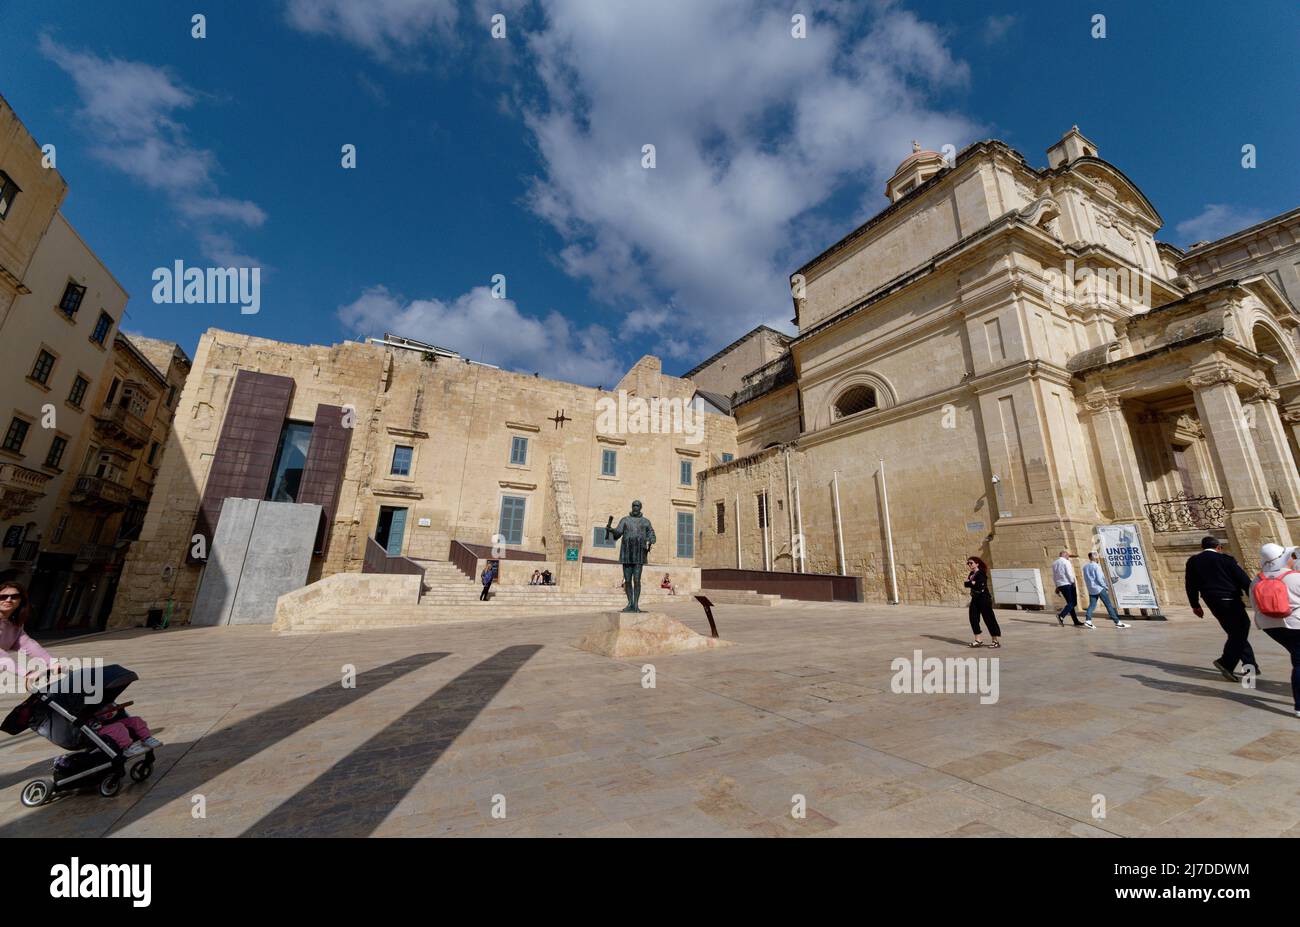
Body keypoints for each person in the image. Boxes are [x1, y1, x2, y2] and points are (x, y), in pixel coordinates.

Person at [1186, 534, 1257, 681]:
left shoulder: (1193, 561)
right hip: (1230, 600)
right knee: (1241, 629)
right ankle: (1226, 662)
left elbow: (1190, 585)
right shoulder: (1226, 559)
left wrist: (1195, 604)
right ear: (1218, 547)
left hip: (1212, 602)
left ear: (1202, 547)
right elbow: (1243, 580)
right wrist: (1256, 599)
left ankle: (1251, 666)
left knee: (1235, 632)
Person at [1250, 543, 1300, 718]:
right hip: (1295, 624)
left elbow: (1254, 605)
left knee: (1297, 654)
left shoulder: (1258, 580)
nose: (1293, 559)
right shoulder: (1295, 577)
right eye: (1292, 556)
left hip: (1269, 626)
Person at [0, 582, 55, 687]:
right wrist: (26, 673)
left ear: (21, 601)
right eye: (3, 597)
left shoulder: (14, 625)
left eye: (14, 596)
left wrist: (52, 662)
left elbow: (26, 644)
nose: (8, 600)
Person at [87, 700, 162, 757]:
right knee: (118, 727)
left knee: (135, 720)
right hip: (97, 729)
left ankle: (146, 738)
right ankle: (127, 747)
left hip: (112, 720)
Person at [1082, 551, 1130, 629]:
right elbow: (1099, 579)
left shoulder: (1085, 567)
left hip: (1091, 588)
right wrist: (1105, 586)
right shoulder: (1096, 566)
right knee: (1108, 605)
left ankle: (1088, 620)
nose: (1097, 557)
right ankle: (1117, 622)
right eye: (1096, 556)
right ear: (1094, 557)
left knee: (1092, 605)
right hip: (1099, 588)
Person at [963, 556, 1001, 648]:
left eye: (971, 563)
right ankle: (978, 640)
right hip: (975, 598)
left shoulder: (981, 573)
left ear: (977, 563)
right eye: (968, 563)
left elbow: (980, 585)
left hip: (984, 599)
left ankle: (995, 640)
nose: (969, 565)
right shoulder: (972, 573)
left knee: (989, 618)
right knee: (973, 618)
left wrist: (972, 583)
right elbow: (966, 584)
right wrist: (972, 583)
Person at [1051, 550, 1083, 627]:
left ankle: (1075, 621)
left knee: (1070, 603)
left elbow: (1054, 576)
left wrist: (1057, 586)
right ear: (1065, 555)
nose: (1068, 557)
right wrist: (1073, 582)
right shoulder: (1066, 562)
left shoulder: (1054, 563)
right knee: (1073, 602)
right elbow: (1069, 573)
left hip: (1061, 585)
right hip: (1068, 584)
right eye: (1068, 556)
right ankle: (1061, 615)